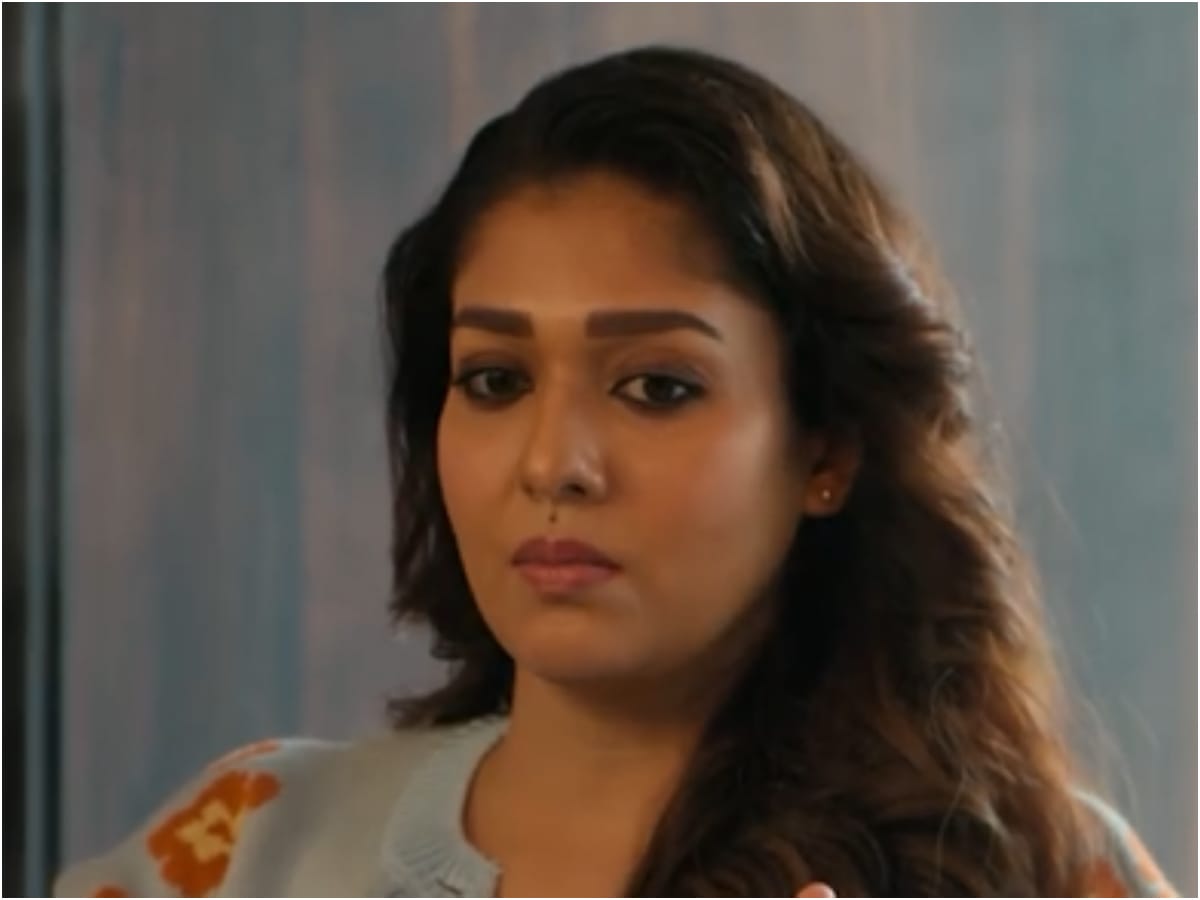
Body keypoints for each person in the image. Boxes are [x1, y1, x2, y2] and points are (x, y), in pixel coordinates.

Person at [55, 46, 1176, 898]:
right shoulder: (251, 847)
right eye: (495, 380)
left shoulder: (1043, 868)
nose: (554, 463)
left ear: (826, 450)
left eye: (656, 388)